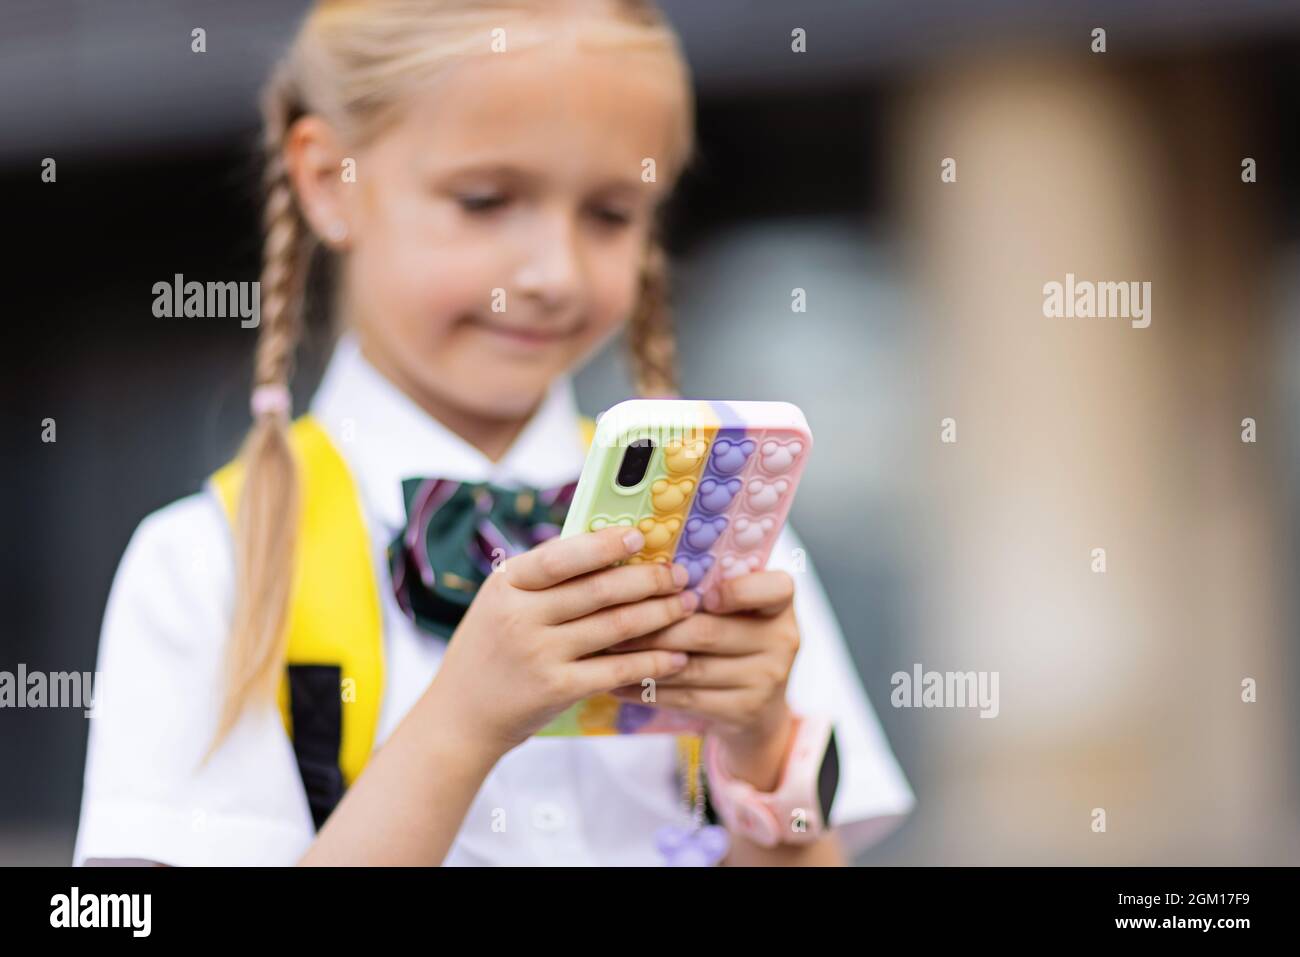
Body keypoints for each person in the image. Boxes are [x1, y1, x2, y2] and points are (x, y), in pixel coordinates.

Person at [74, 0, 912, 866]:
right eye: (484, 200)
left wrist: (760, 744)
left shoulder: (730, 534)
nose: (550, 273)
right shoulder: (209, 567)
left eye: (612, 213)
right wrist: (464, 724)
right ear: (328, 181)